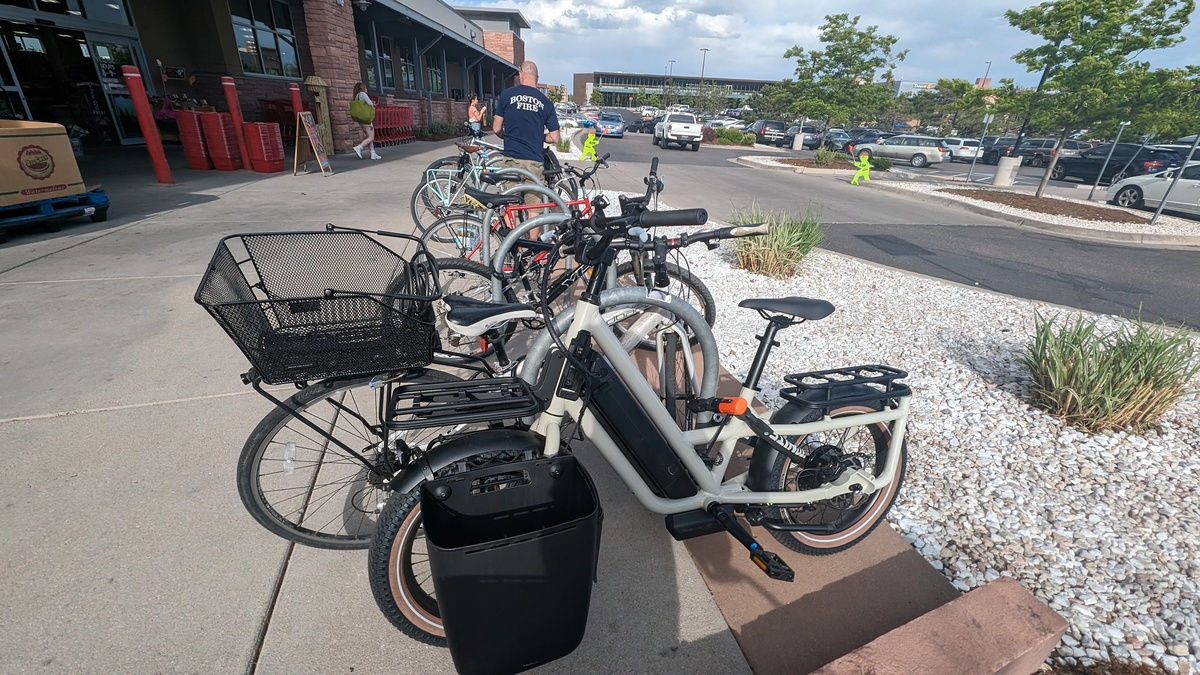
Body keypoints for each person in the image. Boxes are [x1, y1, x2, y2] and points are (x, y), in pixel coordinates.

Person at [492, 61, 559, 205]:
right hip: (533, 161)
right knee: (534, 207)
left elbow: (496, 128)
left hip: (512, 158)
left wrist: (506, 135)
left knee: (510, 204)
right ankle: (531, 228)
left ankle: (512, 228)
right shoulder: (546, 102)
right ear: (537, 78)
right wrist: (537, 136)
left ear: (520, 74)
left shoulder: (506, 95)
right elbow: (555, 137)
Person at [351, 82, 381, 160]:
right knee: (371, 137)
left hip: (360, 119)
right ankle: (359, 147)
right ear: (363, 88)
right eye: (366, 88)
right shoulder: (362, 94)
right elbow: (370, 103)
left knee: (369, 136)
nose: (367, 89)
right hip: (366, 118)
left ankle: (373, 153)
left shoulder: (356, 96)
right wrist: (373, 103)